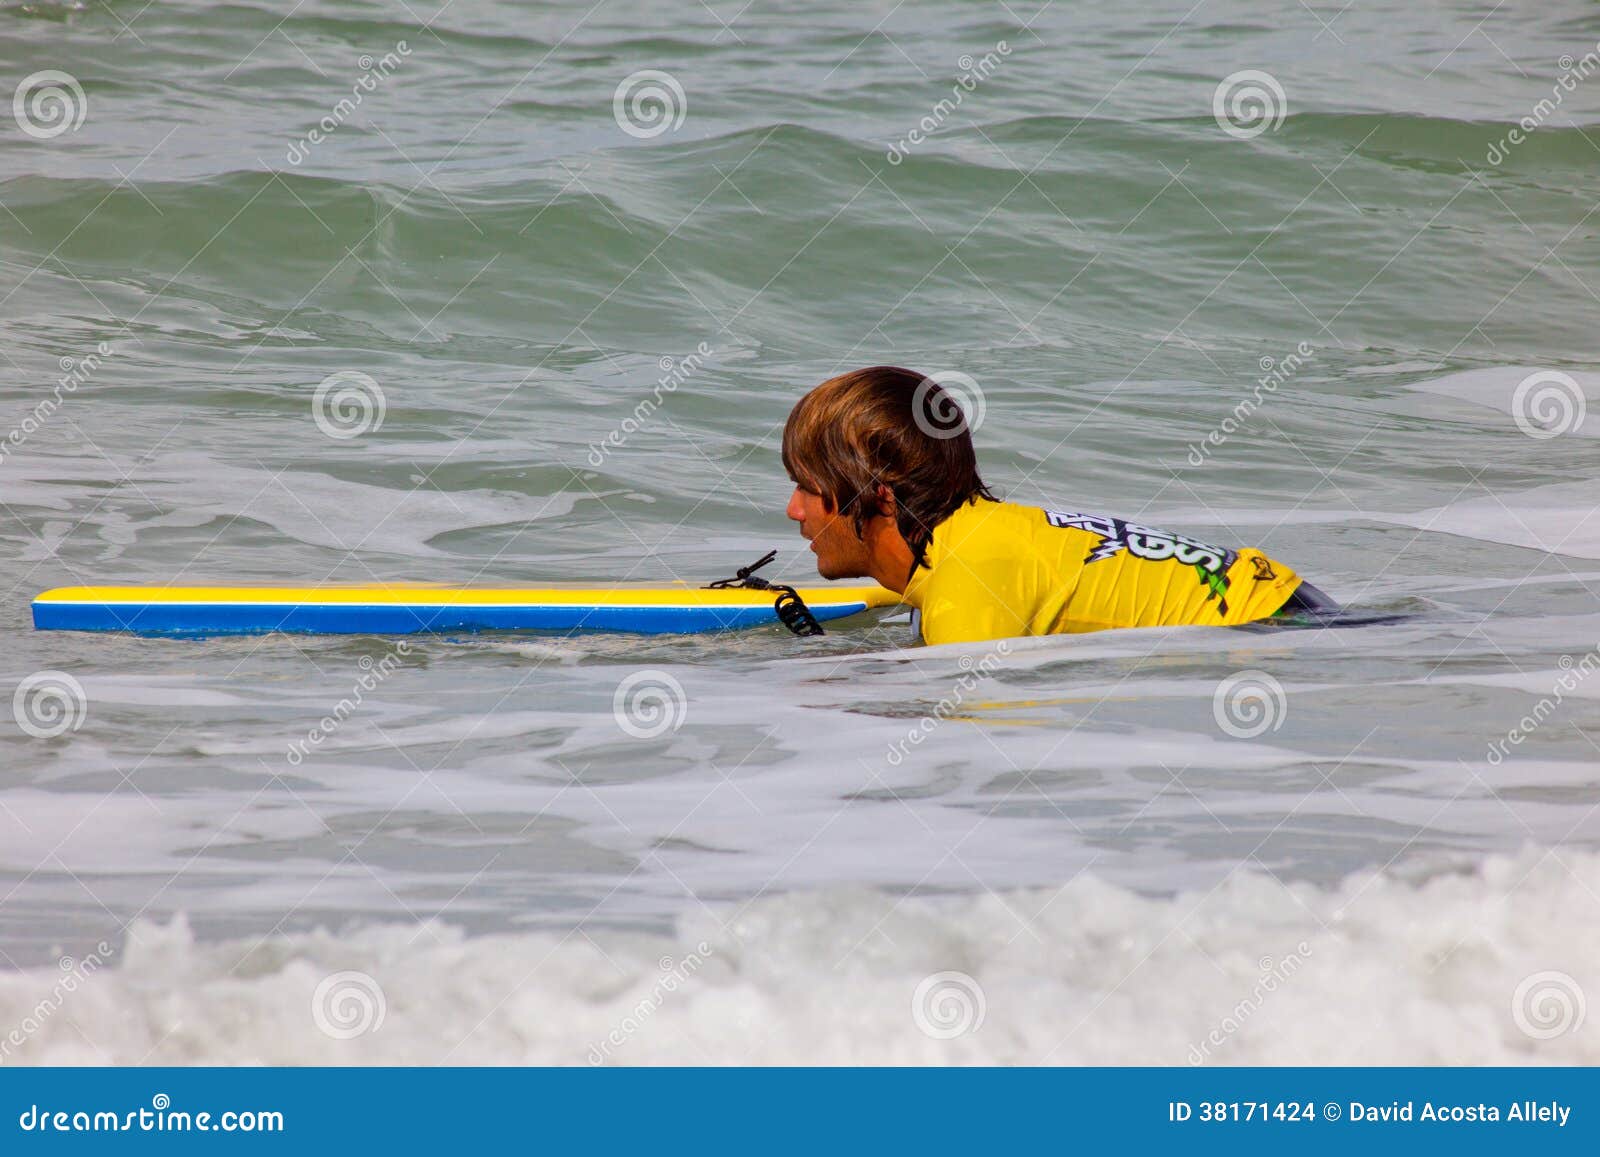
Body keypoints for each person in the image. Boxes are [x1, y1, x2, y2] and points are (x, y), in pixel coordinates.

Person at [781, 365, 1338, 646]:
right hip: (1293, 610)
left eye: (807, 486)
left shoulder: (968, 579)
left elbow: (972, 755)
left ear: (875, 495)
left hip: (1283, 639)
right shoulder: (985, 536)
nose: (793, 509)